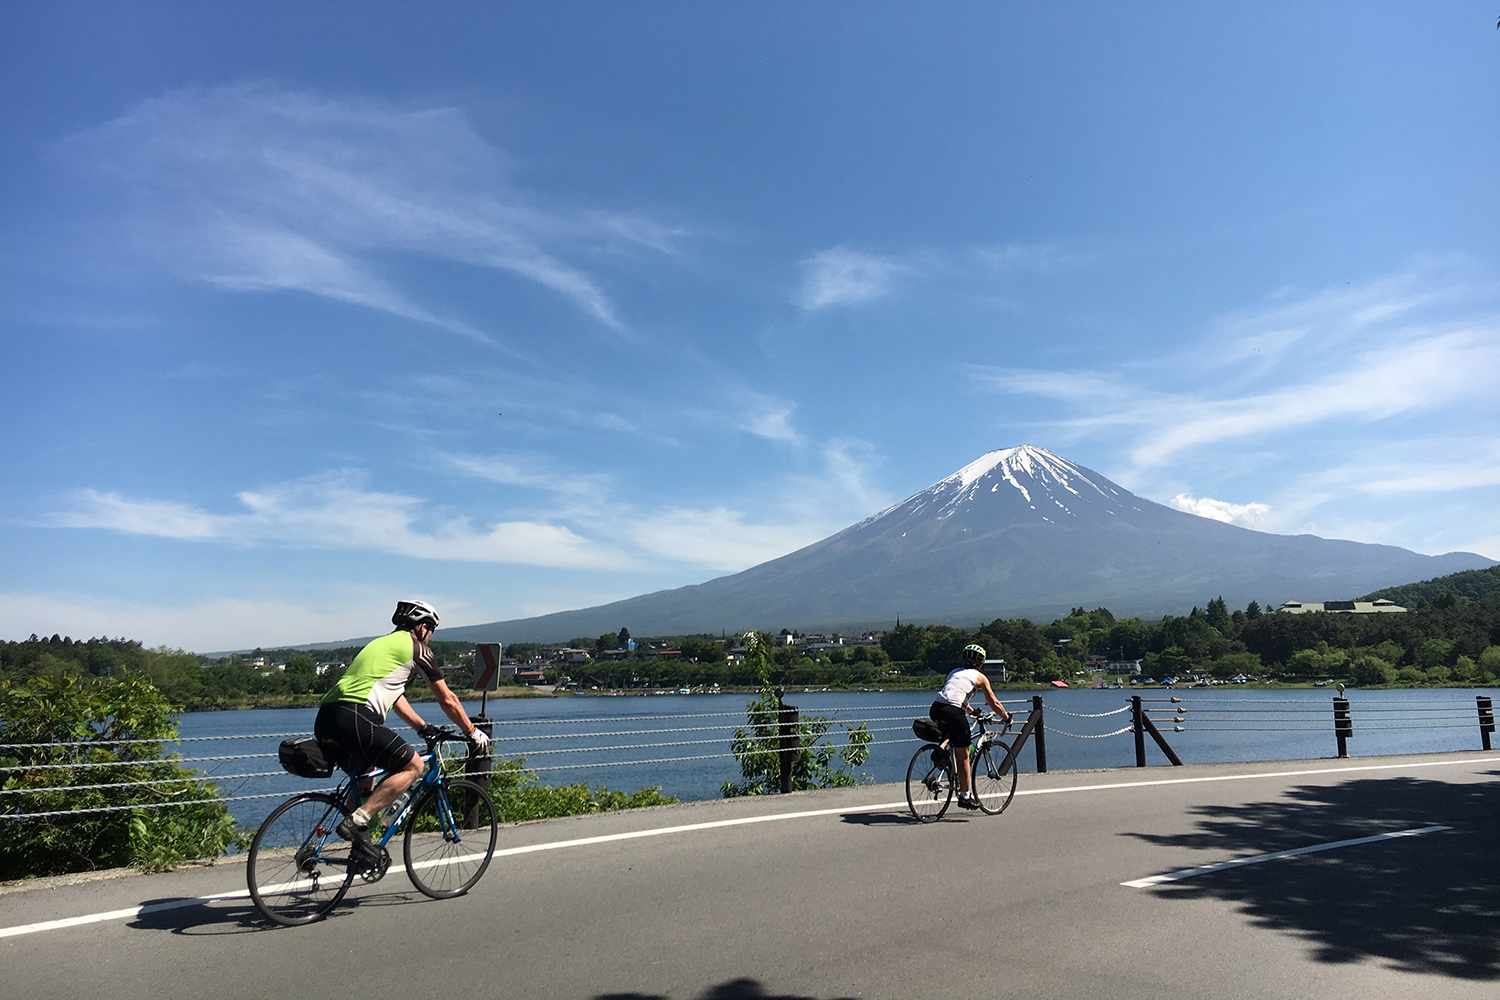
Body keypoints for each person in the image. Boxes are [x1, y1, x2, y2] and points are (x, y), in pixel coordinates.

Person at [314, 599, 491, 863]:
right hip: (357, 717)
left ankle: (359, 846)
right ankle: (357, 822)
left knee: (366, 780)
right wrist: (471, 731)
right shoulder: (417, 649)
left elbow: (395, 697)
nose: (429, 638)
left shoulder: (380, 645)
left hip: (327, 717)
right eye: (431, 631)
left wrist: (423, 727)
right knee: (413, 767)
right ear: (422, 628)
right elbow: (447, 699)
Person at [929, 643, 1011, 810]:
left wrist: (972, 712)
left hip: (936, 708)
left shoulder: (954, 672)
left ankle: (940, 753)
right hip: (954, 713)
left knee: (951, 735)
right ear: (981, 664)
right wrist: (1006, 717)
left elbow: (955, 697)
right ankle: (965, 796)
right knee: (964, 756)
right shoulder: (980, 677)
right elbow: (994, 702)